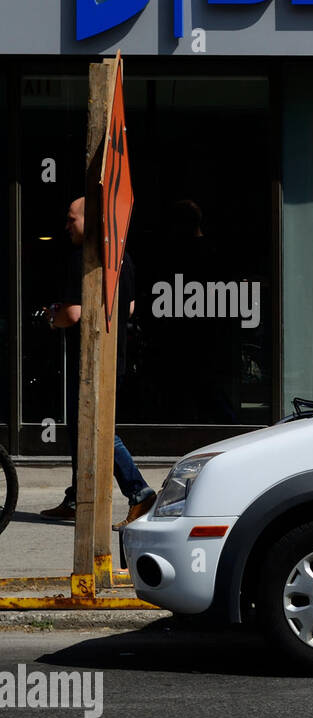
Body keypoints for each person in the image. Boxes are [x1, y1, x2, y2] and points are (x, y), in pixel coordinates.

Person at [38, 197, 156, 527]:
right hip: (113, 356)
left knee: (96, 429)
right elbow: (129, 307)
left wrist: (51, 317)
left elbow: (72, 314)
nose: (66, 226)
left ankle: (140, 493)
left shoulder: (83, 259)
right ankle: (78, 497)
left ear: (89, 222)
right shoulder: (123, 258)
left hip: (89, 360)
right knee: (84, 428)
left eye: (70, 219)